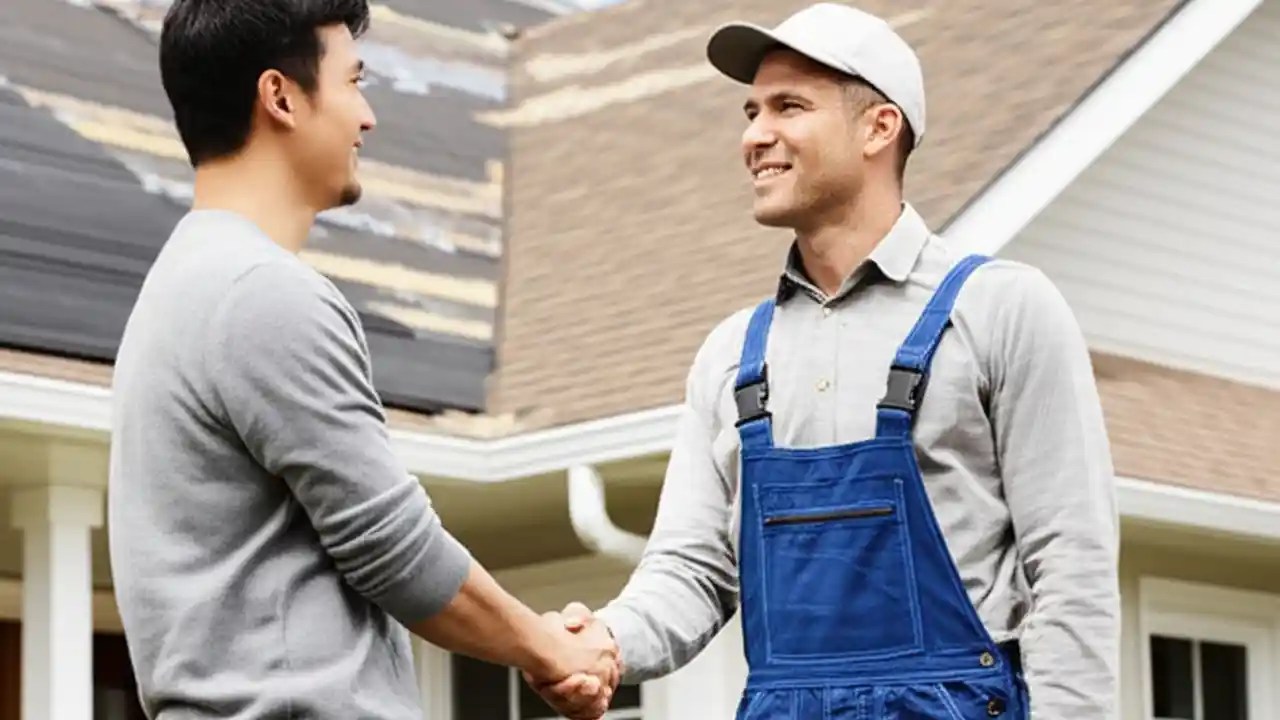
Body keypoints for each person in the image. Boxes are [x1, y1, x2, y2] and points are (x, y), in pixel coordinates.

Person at [530, 3, 1120, 718]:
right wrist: (605, 639)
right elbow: (693, 570)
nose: (755, 136)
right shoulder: (732, 357)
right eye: (750, 112)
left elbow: (1071, 569)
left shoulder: (1002, 311)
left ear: (879, 127)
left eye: (789, 107)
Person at [106, 1, 617, 718]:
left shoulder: (182, 285)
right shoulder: (260, 293)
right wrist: (550, 648)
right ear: (280, 96)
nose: (367, 117)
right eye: (353, 82)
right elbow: (395, 551)